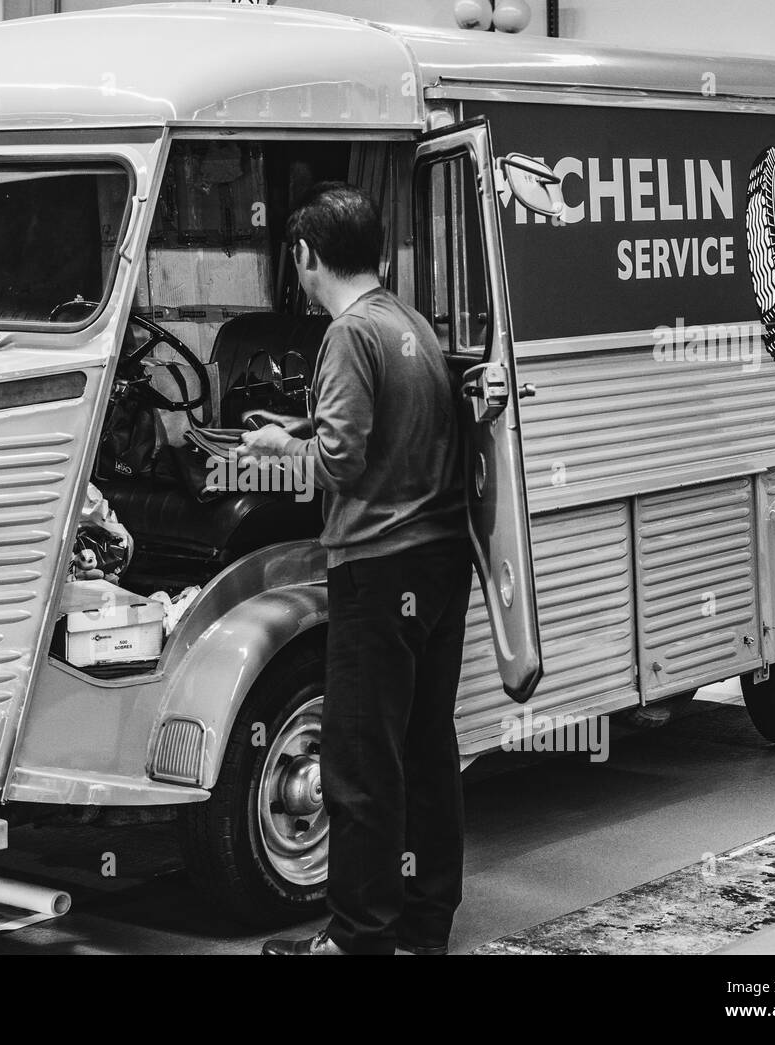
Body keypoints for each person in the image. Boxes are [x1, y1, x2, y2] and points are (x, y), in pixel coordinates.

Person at [239, 183, 471, 956]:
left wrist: (283, 451)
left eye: (294, 259)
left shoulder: (346, 335)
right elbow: (398, 419)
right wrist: (303, 422)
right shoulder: (407, 322)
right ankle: (423, 924)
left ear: (305, 254)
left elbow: (340, 461)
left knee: (361, 762)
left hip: (378, 566)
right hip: (440, 561)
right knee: (427, 749)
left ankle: (358, 938)